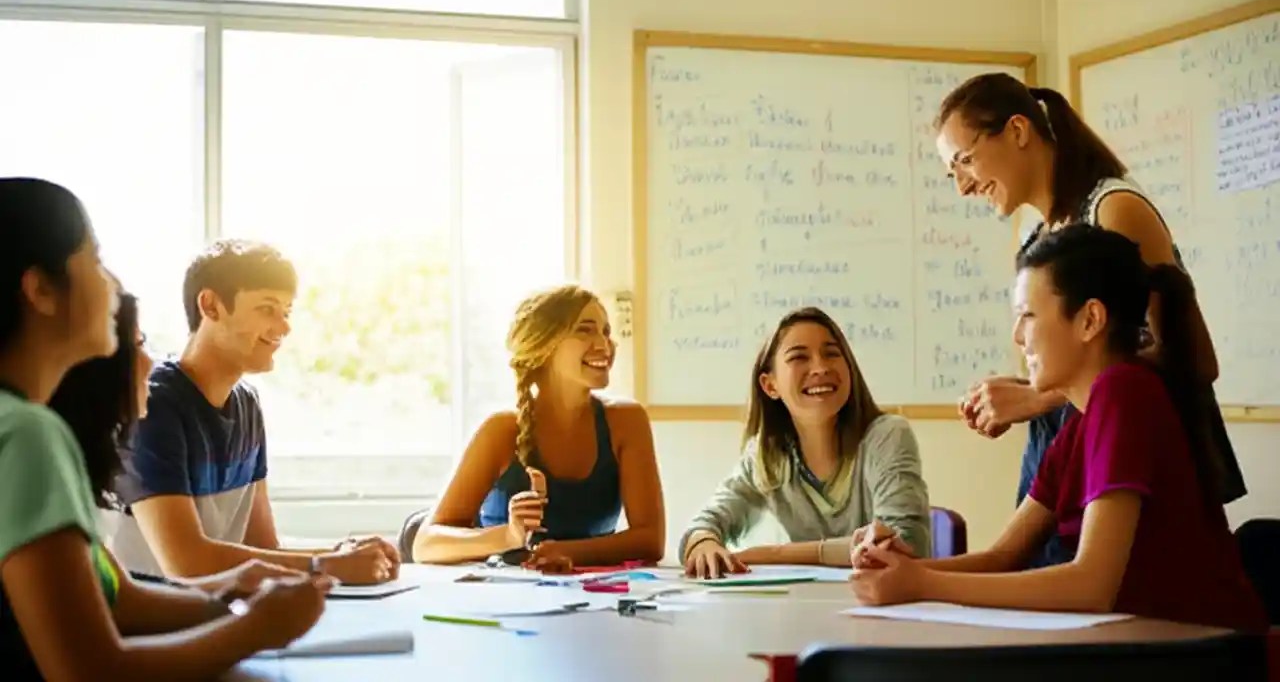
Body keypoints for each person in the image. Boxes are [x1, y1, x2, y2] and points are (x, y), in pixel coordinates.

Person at [848, 225, 1266, 632]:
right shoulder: (1081, 422)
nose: (1017, 337)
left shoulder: (1125, 393)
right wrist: (903, 568)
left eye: (1027, 316)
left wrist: (922, 583)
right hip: (1133, 645)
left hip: (1201, 657)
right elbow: (1003, 555)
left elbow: (1091, 586)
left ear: (1090, 320)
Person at [0, 177, 329, 681]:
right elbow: (90, 671)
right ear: (40, 289)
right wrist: (254, 629)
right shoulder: (27, 435)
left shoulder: (27, 428)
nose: (112, 283)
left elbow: (122, 601)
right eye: (94, 259)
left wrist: (236, 592)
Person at [934, 72, 1245, 566]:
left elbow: (1192, 358)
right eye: (951, 172)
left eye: (964, 160)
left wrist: (1035, 398)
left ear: (1018, 131)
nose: (962, 185)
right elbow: (1089, 363)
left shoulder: (1114, 209)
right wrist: (1018, 393)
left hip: (1134, 483)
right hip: (1067, 472)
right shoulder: (1036, 238)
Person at [108, 240, 399, 584]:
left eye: (286, 312)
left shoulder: (247, 404)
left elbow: (263, 546)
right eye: (267, 309)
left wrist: (347, 553)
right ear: (211, 305)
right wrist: (328, 564)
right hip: (155, 619)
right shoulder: (154, 404)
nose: (284, 327)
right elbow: (186, 561)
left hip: (214, 613)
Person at [50, 288, 302, 598]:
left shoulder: (77, 469)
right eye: (135, 345)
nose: (149, 360)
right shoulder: (40, 454)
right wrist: (320, 567)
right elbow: (104, 631)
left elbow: (125, 602)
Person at [413, 284, 665, 568]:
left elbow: (650, 540)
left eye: (606, 332)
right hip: (503, 599)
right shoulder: (502, 430)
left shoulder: (627, 421)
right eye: (585, 330)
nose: (604, 345)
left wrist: (567, 553)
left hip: (595, 598)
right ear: (544, 345)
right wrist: (508, 537)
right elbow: (426, 545)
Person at [680, 307, 930, 579]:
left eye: (832, 353)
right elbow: (701, 527)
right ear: (770, 385)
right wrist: (703, 542)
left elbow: (906, 545)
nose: (821, 367)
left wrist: (774, 554)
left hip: (884, 609)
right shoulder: (766, 455)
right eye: (799, 357)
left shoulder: (887, 435)